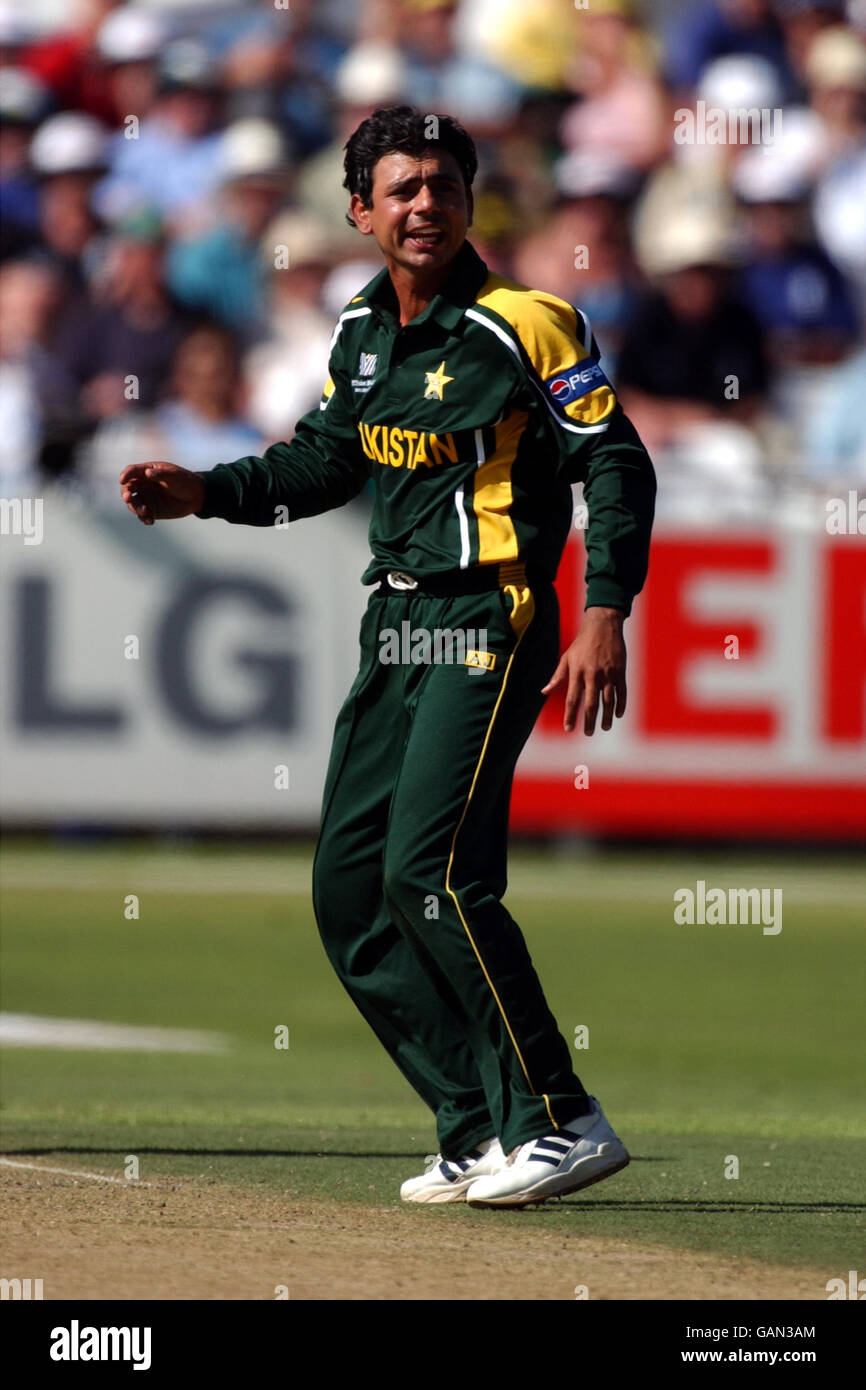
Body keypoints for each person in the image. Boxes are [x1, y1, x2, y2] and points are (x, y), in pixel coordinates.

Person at [119, 105, 656, 1209]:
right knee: (349, 893)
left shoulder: (527, 321)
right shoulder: (360, 330)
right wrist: (204, 493)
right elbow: (322, 463)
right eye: (401, 189)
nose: (425, 205)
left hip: (490, 618)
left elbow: (615, 464)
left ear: (470, 200)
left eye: (443, 185)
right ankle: (472, 1127)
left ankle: (558, 1118)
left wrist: (603, 608)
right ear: (358, 210)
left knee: (435, 874)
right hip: (395, 623)